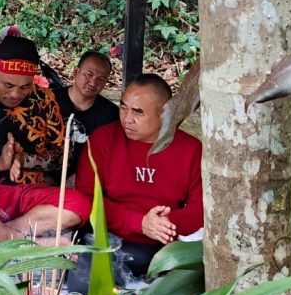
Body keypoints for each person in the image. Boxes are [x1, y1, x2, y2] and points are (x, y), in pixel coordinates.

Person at [0, 35, 91, 244]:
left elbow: (60, 157)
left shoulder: (46, 101)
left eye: (25, 87)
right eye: (8, 85)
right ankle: (34, 242)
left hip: (31, 196)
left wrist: (23, 159)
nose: (15, 94)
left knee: (79, 206)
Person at [75, 73, 203, 277]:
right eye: (123, 107)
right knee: (83, 287)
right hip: (107, 237)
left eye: (138, 112)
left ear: (164, 112)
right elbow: (86, 199)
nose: (127, 119)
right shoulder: (103, 140)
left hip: (163, 245)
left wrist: (162, 224)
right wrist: (140, 223)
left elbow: (201, 208)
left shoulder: (190, 149)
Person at [53, 50, 120, 173]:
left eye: (101, 79)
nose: (93, 82)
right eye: (89, 74)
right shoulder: (49, 101)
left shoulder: (111, 115)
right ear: (76, 72)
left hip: (88, 179)